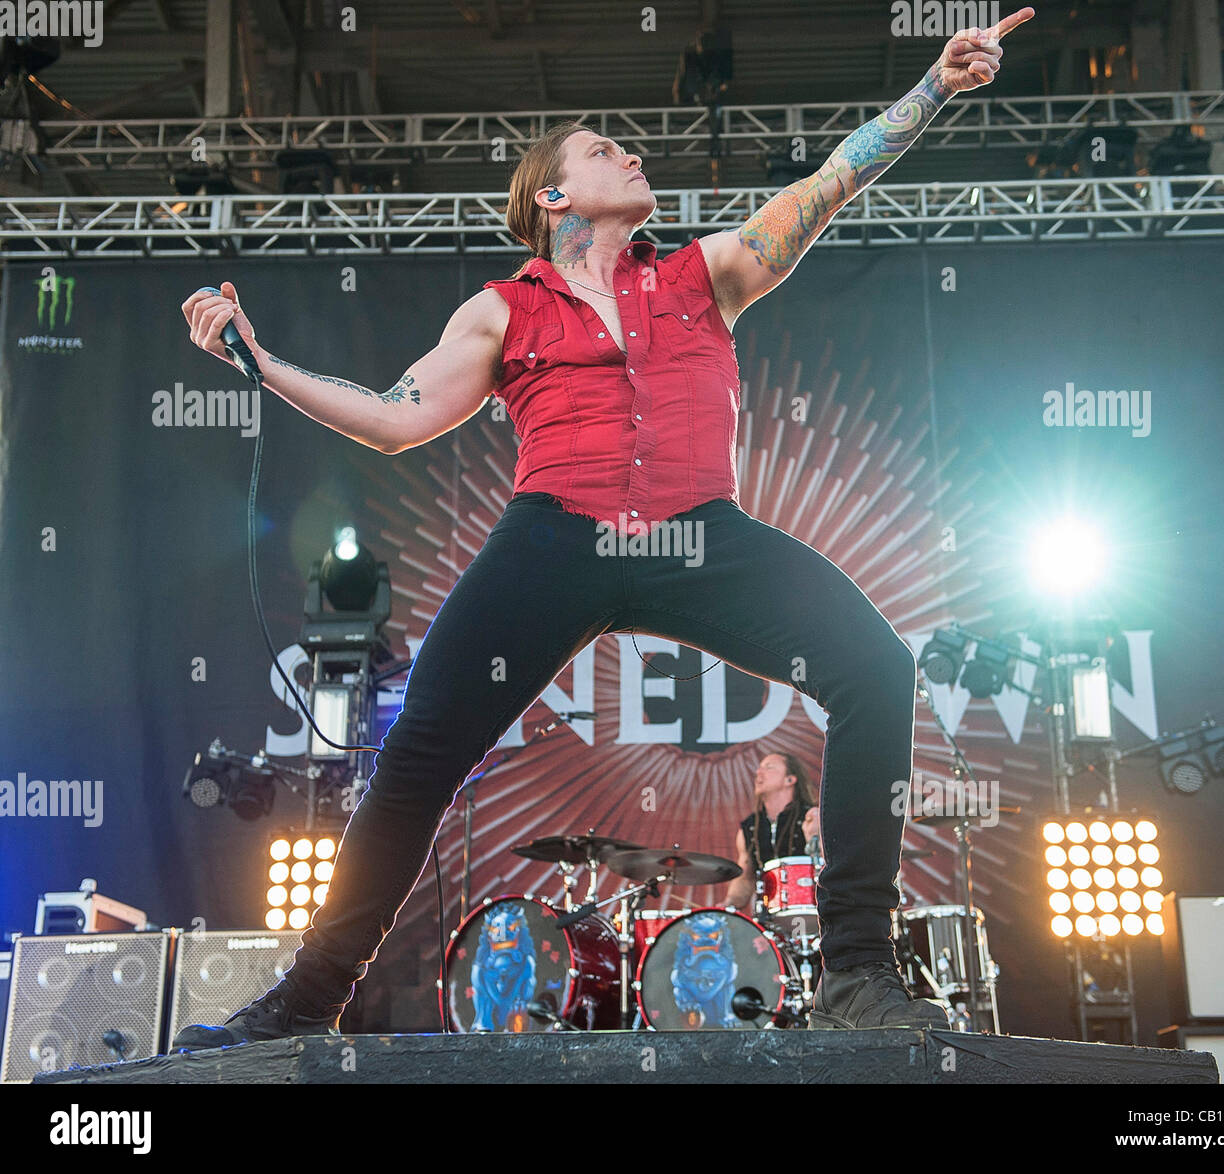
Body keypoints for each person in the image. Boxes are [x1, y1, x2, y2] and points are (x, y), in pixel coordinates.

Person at [171, 11, 1033, 1048]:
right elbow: (398, 418)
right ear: (553, 195)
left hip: (697, 535)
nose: (630, 153)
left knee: (876, 669)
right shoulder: (503, 309)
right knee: (416, 757)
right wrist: (260, 365)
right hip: (554, 539)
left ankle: (855, 967)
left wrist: (933, 86)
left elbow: (832, 182)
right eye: (602, 148)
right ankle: (305, 1001)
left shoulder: (701, 275)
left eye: (627, 145)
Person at [723, 752, 820, 913]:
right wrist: (728, 904)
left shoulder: (811, 817)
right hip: (769, 917)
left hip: (812, 911)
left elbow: (830, 866)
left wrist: (816, 838)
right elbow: (746, 879)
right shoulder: (749, 827)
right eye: (759, 768)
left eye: (769, 767)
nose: (758, 772)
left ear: (789, 780)